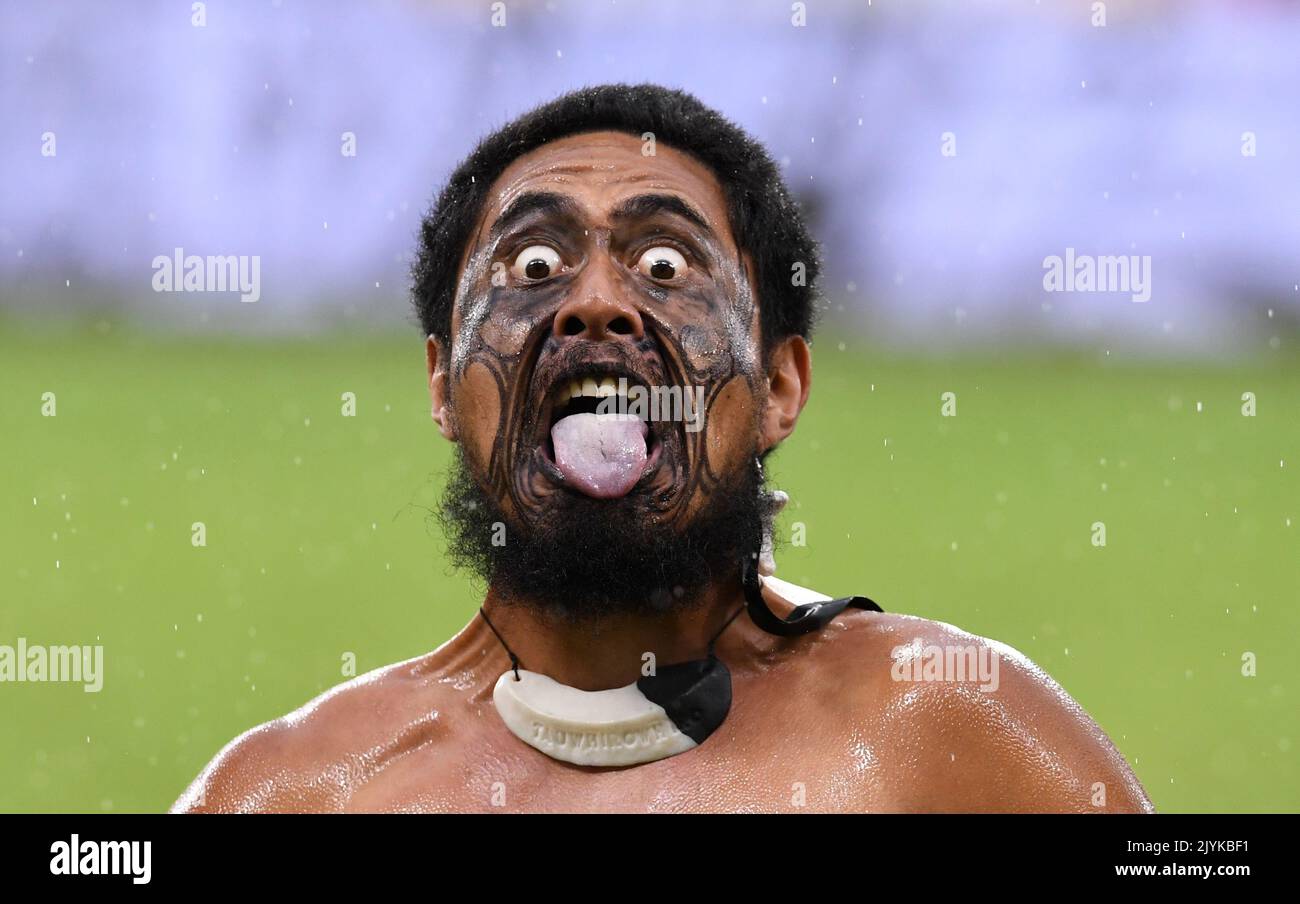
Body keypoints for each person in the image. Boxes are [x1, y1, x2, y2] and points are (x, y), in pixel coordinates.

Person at [173, 84, 1152, 813]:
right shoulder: (296, 793)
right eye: (532, 265)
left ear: (777, 388)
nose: (594, 301)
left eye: (665, 264)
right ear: (441, 387)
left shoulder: (949, 732)